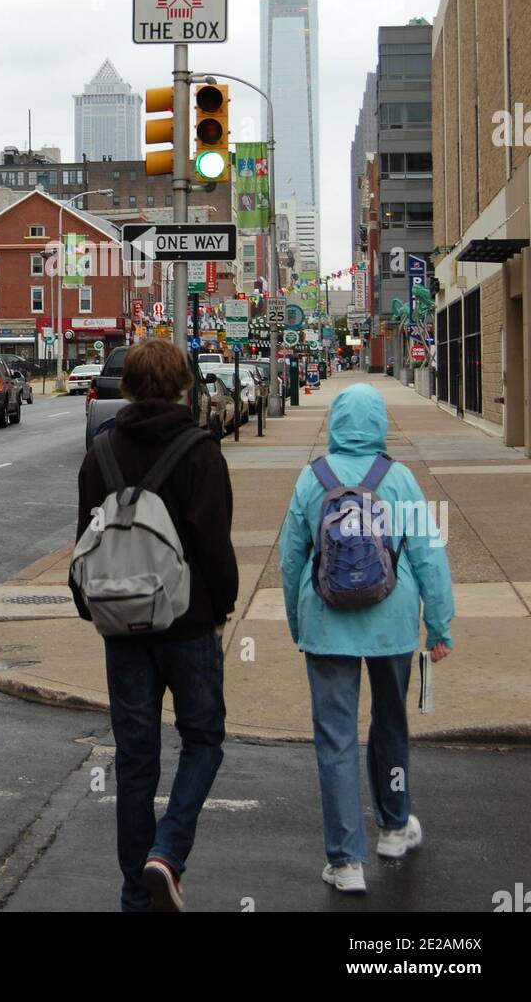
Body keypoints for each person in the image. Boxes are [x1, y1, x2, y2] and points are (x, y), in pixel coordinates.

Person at [71, 338, 238, 912]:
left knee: (136, 757)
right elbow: (215, 546)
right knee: (204, 739)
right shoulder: (201, 450)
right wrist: (221, 609)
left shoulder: (102, 452)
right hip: (188, 623)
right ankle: (166, 854)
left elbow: (83, 544)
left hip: (122, 625)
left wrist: (89, 607)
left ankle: (133, 894)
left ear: (127, 386)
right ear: (182, 385)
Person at [279, 383, 454, 893]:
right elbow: (428, 556)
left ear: (335, 423)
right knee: (391, 723)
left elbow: (292, 562)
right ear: (379, 424)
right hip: (392, 623)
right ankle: (395, 827)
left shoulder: (312, 480)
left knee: (335, 739)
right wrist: (440, 626)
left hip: (326, 624)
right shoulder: (398, 479)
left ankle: (346, 860)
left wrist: (297, 622)